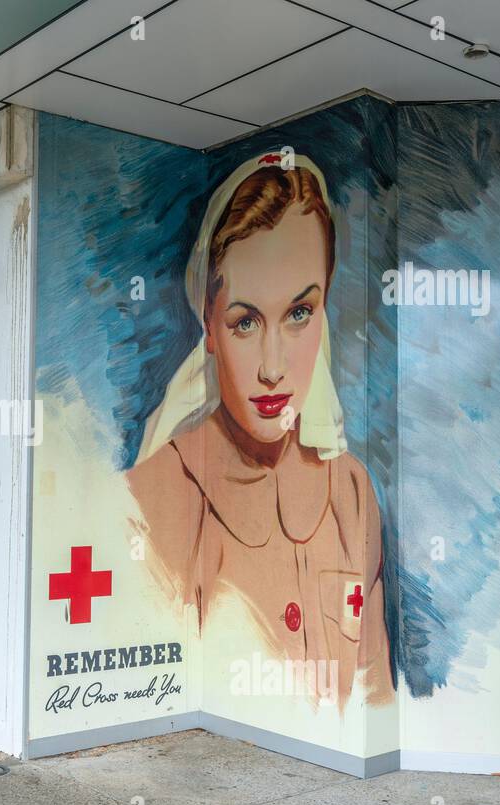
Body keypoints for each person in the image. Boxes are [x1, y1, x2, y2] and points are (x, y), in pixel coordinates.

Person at [126, 152, 392, 708]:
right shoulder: (152, 502)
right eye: (245, 322)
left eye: (299, 313)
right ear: (210, 324)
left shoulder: (351, 492)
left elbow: (375, 695)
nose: (273, 367)